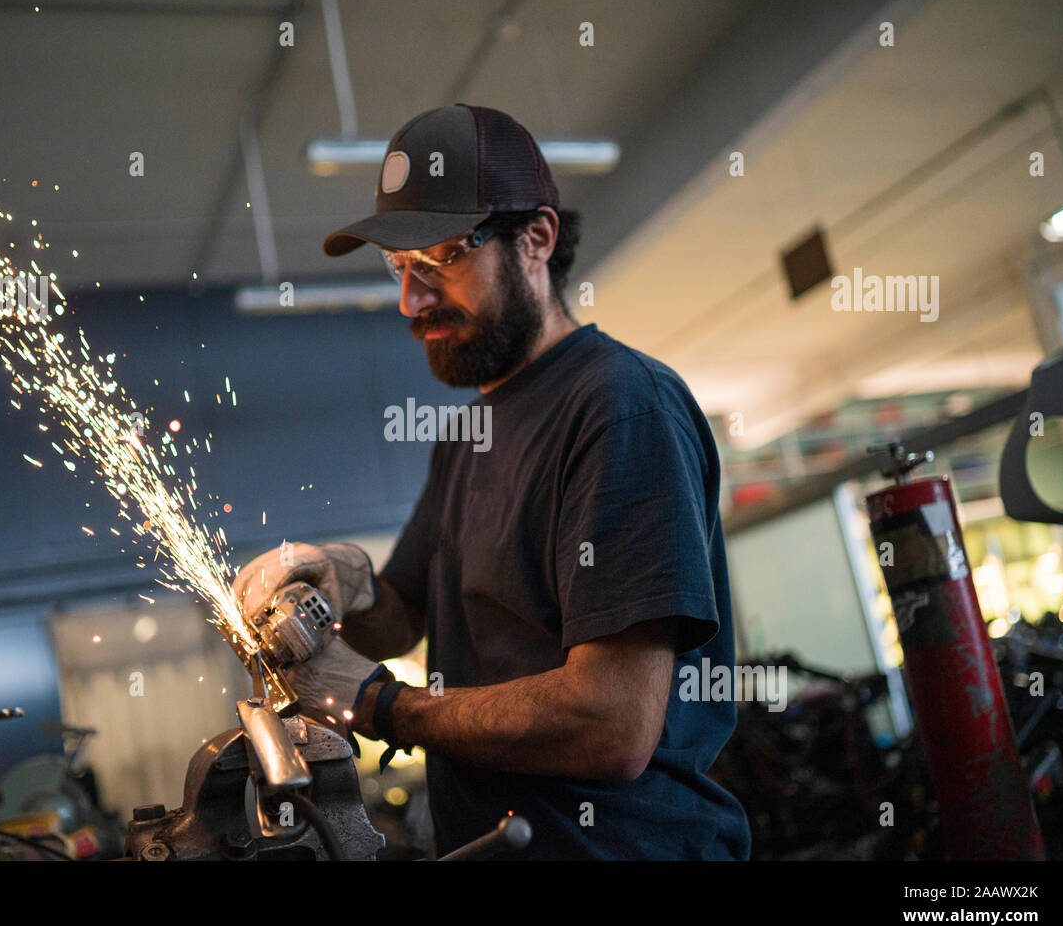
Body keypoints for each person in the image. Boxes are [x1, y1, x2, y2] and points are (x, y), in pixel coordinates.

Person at [234, 104, 749, 859]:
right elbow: (402, 612)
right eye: (398, 268)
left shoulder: (619, 407)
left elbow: (611, 724)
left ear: (535, 239)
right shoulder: (466, 437)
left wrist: (378, 702)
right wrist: (338, 583)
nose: (412, 300)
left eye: (440, 257)